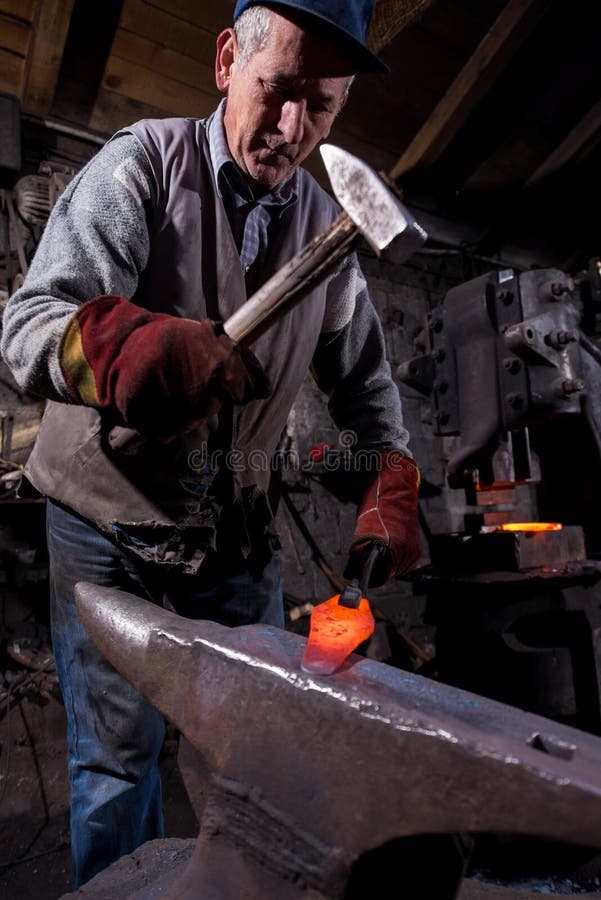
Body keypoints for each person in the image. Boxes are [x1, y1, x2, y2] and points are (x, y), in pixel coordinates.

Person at [0, 0, 422, 887]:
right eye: (277, 90)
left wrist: (386, 473)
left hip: (233, 540)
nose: (293, 126)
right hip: (105, 531)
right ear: (228, 58)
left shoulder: (327, 232)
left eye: (323, 105)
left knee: (261, 760)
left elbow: (365, 389)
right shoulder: (141, 167)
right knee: (118, 772)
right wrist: (118, 349)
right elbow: (26, 327)